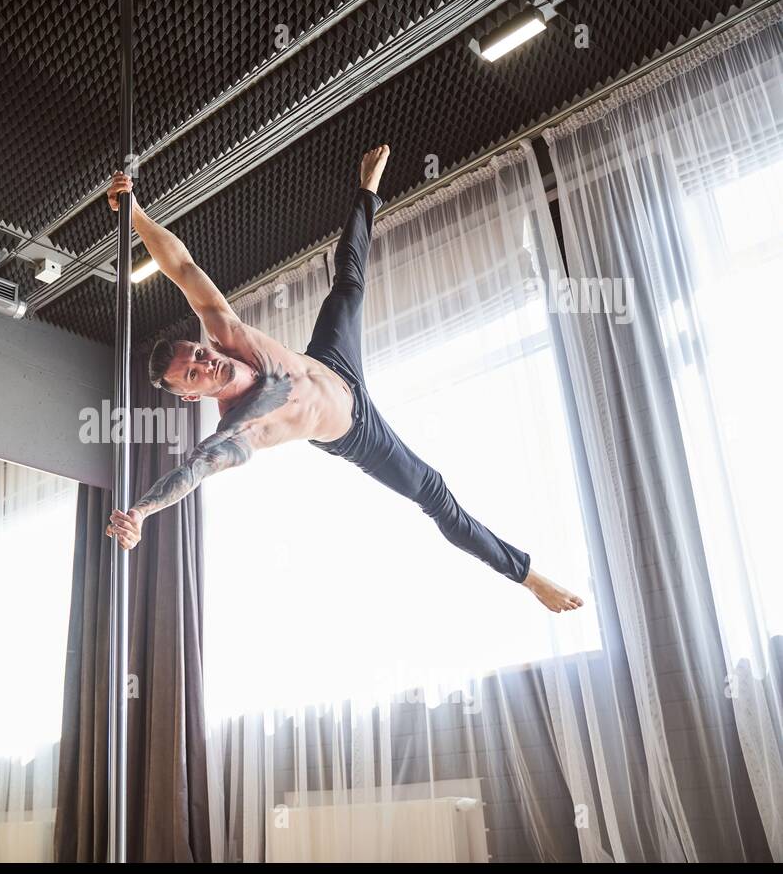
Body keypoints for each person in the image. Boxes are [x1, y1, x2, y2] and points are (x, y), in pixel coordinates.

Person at [104, 145, 583, 613]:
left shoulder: (229, 333)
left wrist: (136, 216)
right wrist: (142, 513)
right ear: (191, 396)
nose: (206, 363)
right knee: (434, 494)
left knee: (349, 284)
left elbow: (184, 268)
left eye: (199, 354)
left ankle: (367, 189)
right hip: (356, 431)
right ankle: (529, 577)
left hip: (334, 362)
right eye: (194, 373)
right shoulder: (241, 427)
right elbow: (193, 470)